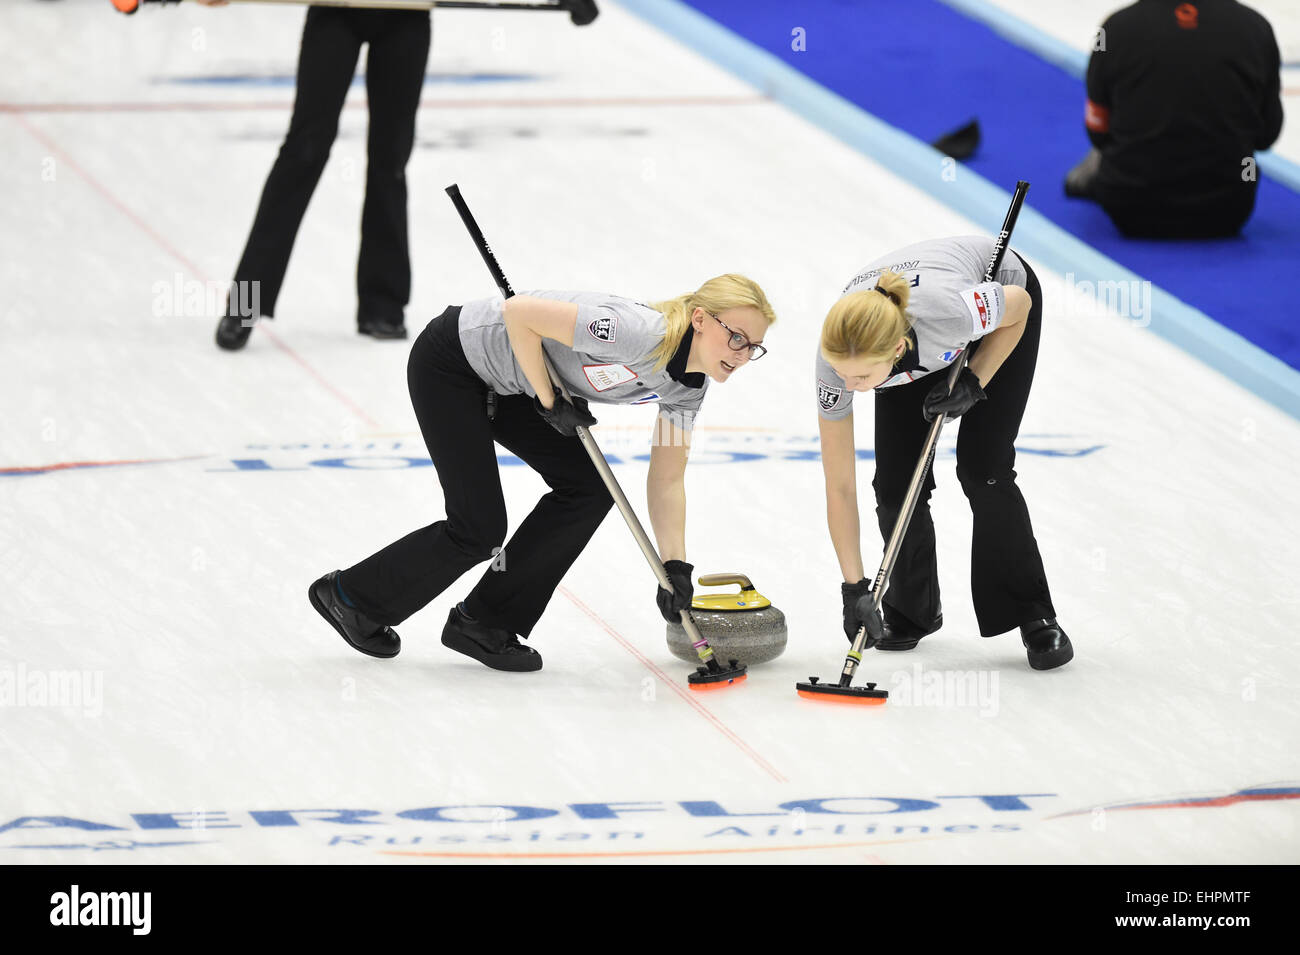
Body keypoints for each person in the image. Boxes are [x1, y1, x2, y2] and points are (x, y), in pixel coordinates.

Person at [310, 277, 776, 671]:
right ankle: (351, 598)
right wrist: (551, 402)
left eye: (753, 347)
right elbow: (518, 314)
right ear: (699, 319)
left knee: (590, 490)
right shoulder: (634, 333)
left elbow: (667, 479)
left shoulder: (685, 392)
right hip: (454, 363)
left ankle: (485, 621)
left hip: (513, 386)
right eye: (737, 337)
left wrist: (674, 568)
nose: (741, 353)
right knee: (478, 528)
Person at [815, 236, 1072, 670]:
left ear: (897, 351)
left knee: (983, 468)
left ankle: (1032, 612)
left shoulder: (953, 313)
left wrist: (976, 378)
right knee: (895, 486)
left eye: (861, 378)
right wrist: (854, 587)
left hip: (1001, 307)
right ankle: (912, 609)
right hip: (905, 337)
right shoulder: (838, 364)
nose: (849, 386)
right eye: (844, 375)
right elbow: (839, 486)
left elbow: (1019, 304)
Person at [202, 0, 432, 348]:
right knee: (303, 150)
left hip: (406, 14)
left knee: (391, 159)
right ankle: (244, 305)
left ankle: (383, 306)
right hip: (335, 9)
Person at [1064, 0, 1283, 238]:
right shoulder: (1256, 28)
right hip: (1229, 207)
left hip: (1130, 206)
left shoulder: (1114, 29)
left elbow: (1098, 132)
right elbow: (1265, 136)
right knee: (1245, 158)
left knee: (1106, 152)